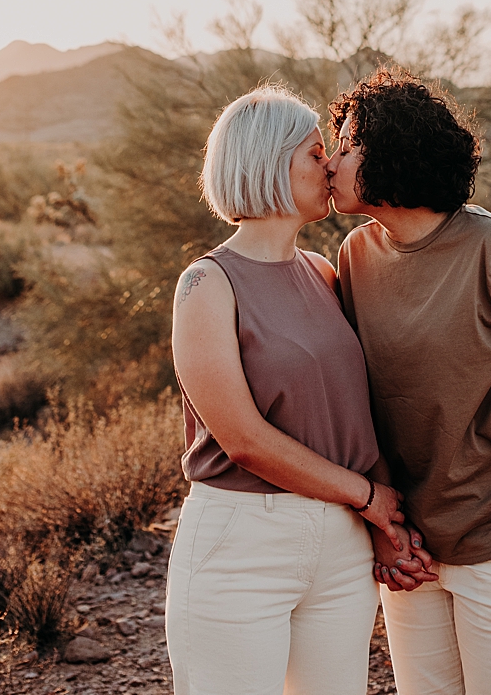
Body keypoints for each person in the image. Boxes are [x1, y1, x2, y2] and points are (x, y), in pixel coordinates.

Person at [329, 67, 491, 695]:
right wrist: (385, 532)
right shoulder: (356, 254)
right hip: (415, 551)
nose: (329, 160)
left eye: (345, 146)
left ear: (389, 155)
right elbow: (366, 403)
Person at [166, 85, 414, 695]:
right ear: (269, 164)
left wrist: (381, 522)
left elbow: (359, 411)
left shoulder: (324, 274)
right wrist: (367, 497)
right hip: (242, 542)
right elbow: (246, 441)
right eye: (313, 152)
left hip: (342, 546)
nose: (330, 165)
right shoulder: (207, 285)